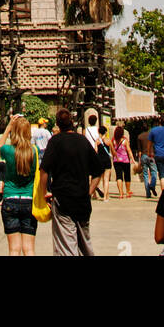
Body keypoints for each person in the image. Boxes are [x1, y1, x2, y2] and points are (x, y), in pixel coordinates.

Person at [39, 106, 103, 257]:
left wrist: (44, 193)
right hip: (82, 201)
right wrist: (89, 192)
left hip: (63, 199)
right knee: (84, 245)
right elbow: (98, 172)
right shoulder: (83, 141)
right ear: (72, 122)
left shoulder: (55, 142)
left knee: (66, 247)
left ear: (58, 124)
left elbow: (44, 171)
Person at [0, 113, 38, 256]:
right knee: (29, 249)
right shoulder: (34, 151)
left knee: (14, 249)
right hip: (29, 201)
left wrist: (8, 127)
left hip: (10, 199)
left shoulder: (8, 151)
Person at [84, 110, 107, 198]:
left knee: (89, 172)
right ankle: (94, 189)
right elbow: (100, 140)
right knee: (97, 172)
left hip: (88, 152)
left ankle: (93, 194)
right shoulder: (98, 130)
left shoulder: (86, 130)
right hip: (97, 152)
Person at [110, 123, 133, 199]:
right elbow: (129, 150)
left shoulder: (113, 140)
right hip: (126, 160)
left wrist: (114, 157)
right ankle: (127, 192)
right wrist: (132, 158)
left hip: (116, 161)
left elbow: (112, 151)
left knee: (119, 176)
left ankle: (120, 193)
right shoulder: (125, 140)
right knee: (127, 176)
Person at [136, 127, 158, 199]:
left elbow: (139, 151)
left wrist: (139, 161)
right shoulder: (152, 135)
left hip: (143, 156)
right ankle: (152, 184)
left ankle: (148, 193)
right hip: (151, 155)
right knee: (154, 172)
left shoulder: (139, 136)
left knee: (145, 174)